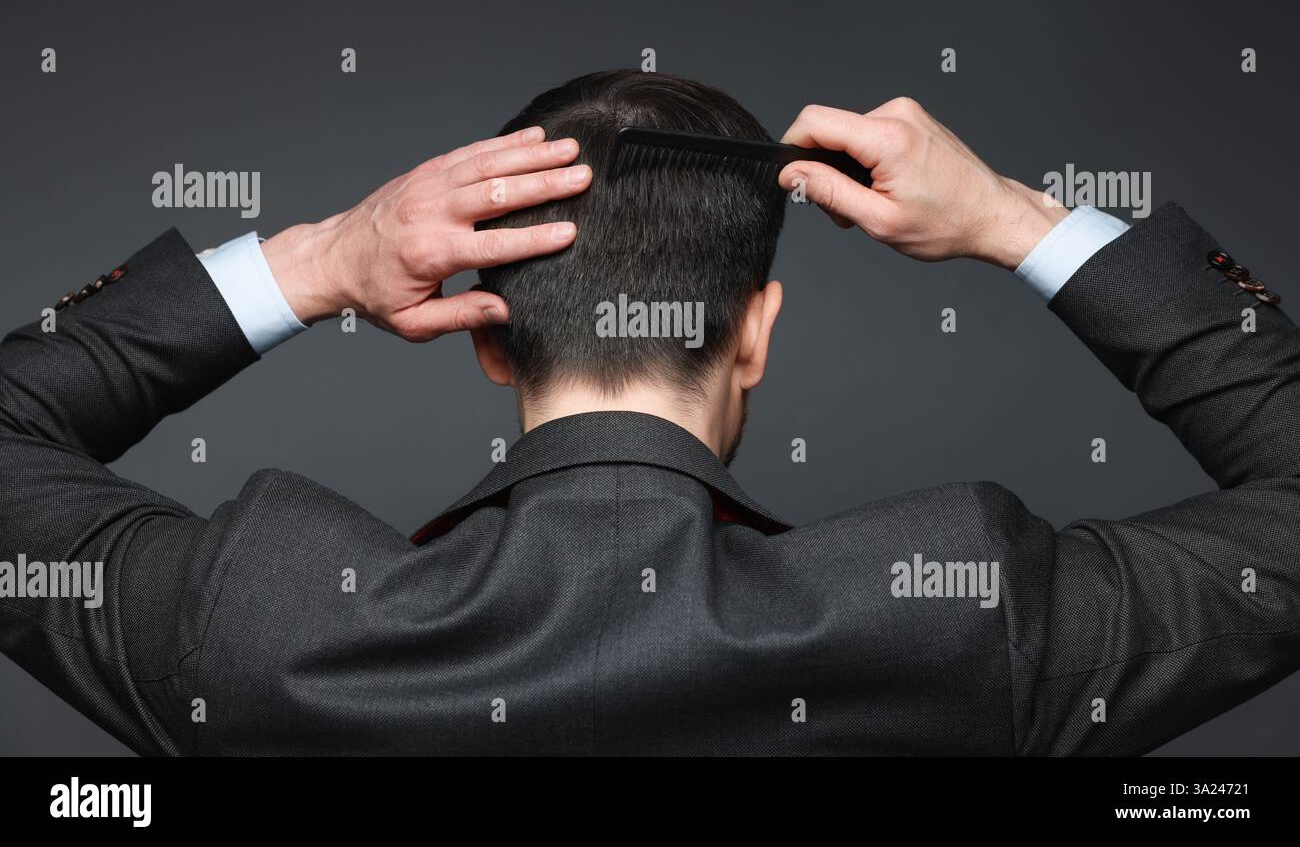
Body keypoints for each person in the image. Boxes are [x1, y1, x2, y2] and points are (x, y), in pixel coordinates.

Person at [1, 70, 1296, 754]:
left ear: (486, 346)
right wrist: (1016, 217)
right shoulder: (959, 623)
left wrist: (325, 258)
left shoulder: (258, 626)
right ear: (757, 335)